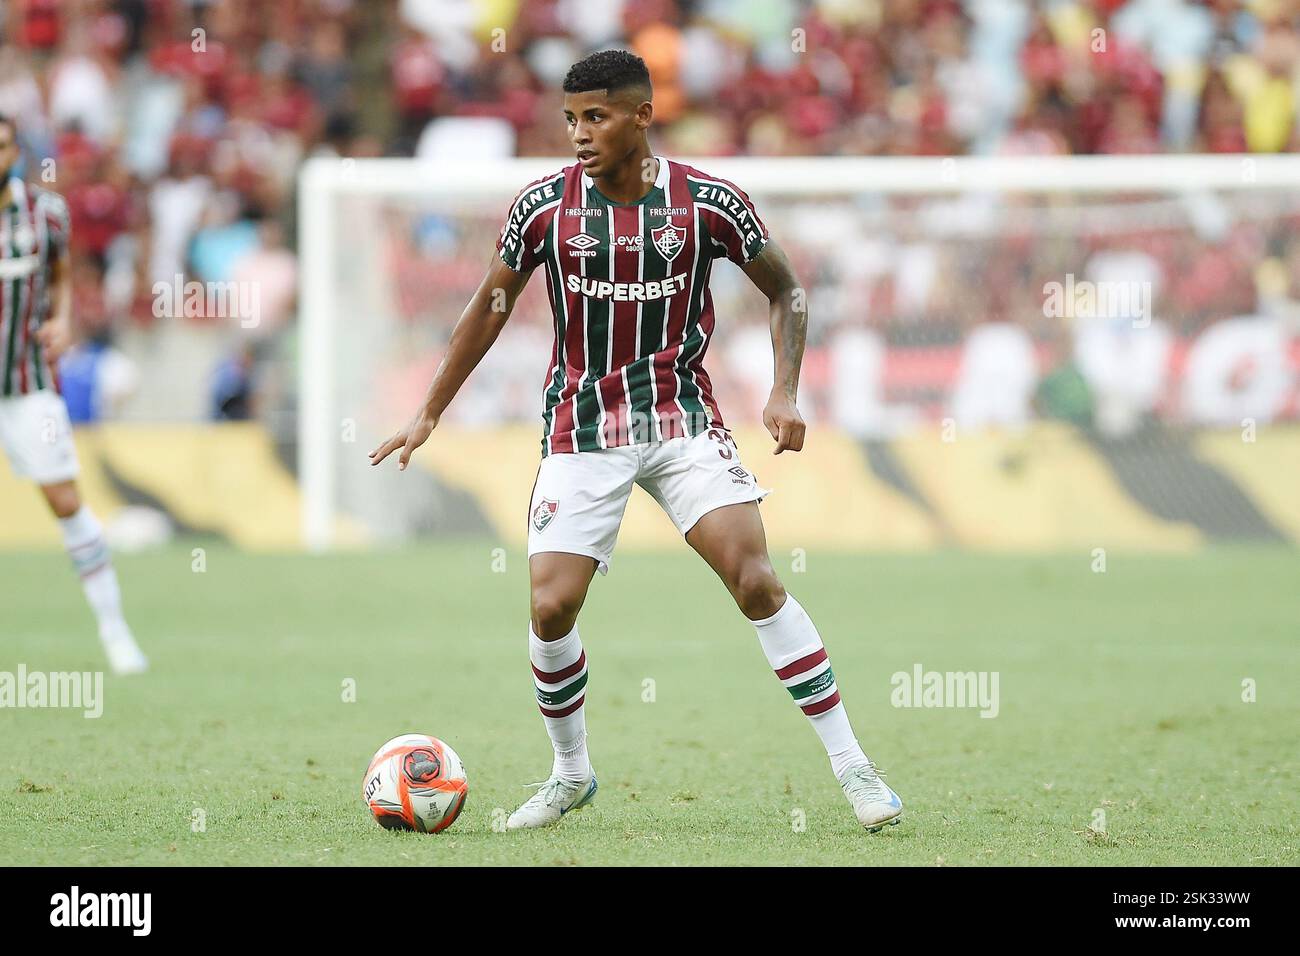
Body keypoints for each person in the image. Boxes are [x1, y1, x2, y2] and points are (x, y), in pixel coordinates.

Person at [370, 51, 902, 832]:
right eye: (571, 119)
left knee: (755, 580)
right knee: (550, 608)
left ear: (642, 115)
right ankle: (570, 773)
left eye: (596, 116)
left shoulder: (708, 202)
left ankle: (854, 767)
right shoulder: (544, 208)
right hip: (583, 426)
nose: (580, 134)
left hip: (680, 417)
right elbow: (489, 304)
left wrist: (785, 391)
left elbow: (786, 288)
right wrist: (430, 410)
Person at [0, 114, 146, 675]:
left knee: (65, 501)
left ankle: (115, 632)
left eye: (4, 145)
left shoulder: (47, 213)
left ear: (16, 151)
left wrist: (61, 320)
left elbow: (60, 275)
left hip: (27, 379)